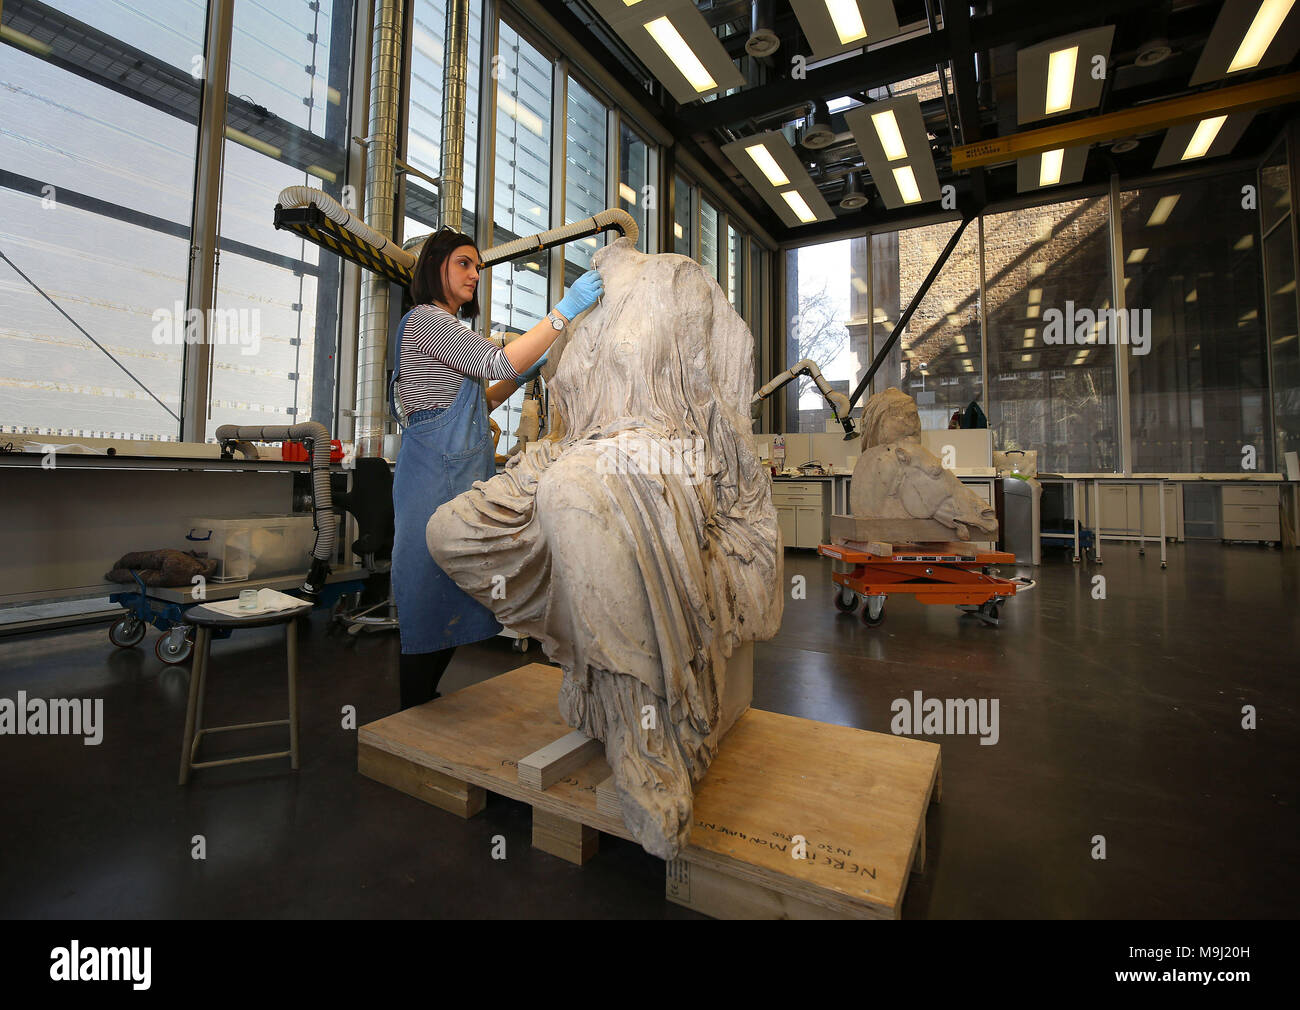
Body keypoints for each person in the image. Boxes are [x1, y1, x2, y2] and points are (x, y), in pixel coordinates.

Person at [390, 226, 604, 709]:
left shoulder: (451, 330)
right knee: (428, 591)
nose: (474, 274)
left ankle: (423, 701)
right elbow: (495, 365)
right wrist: (563, 312)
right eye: (464, 263)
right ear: (435, 268)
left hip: (460, 481)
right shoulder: (425, 321)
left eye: (478, 267)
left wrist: (528, 370)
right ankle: (411, 710)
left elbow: (483, 395)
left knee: (457, 589)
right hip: (431, 482)